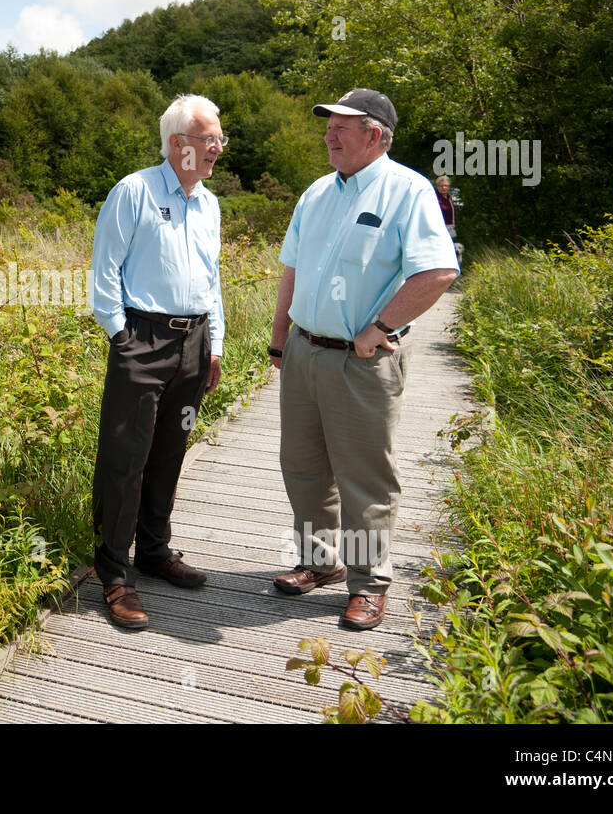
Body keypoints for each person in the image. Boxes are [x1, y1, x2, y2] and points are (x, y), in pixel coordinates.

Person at [267, 88, 458, 630]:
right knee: (303, 468)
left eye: (340, 126)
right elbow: (292, 270)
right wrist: (280, 337)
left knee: (364, 475)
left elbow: (438, 271)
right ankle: (319, 563)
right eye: (328, 125)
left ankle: (370, 581)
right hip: (304, 352)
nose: (328, 134)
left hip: (361, 360)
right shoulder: (316, 194)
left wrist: (378, 328)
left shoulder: (409, 191)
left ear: (374, 134)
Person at [87, 94, 225, 630]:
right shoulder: (134, 191)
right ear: (177, 144)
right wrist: (122, 338)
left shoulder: (209, 202)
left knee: (170, 450)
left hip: (194, 340)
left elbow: (211, 281)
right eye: (208, 138)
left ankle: (154, 549)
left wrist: (214, 347)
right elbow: (105, 276)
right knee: (127, 456)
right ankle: (116, 574)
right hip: (141, 339)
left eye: (219, 139)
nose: (217, 148)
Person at [434, 175, 463, 263]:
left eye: (446, 185)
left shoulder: (449, 198)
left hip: (450, 227)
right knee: (441, 249)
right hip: (439, 228)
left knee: (450, 249)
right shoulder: (435, 198)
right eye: (441, 185)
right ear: (437, 186)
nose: (443, 187)